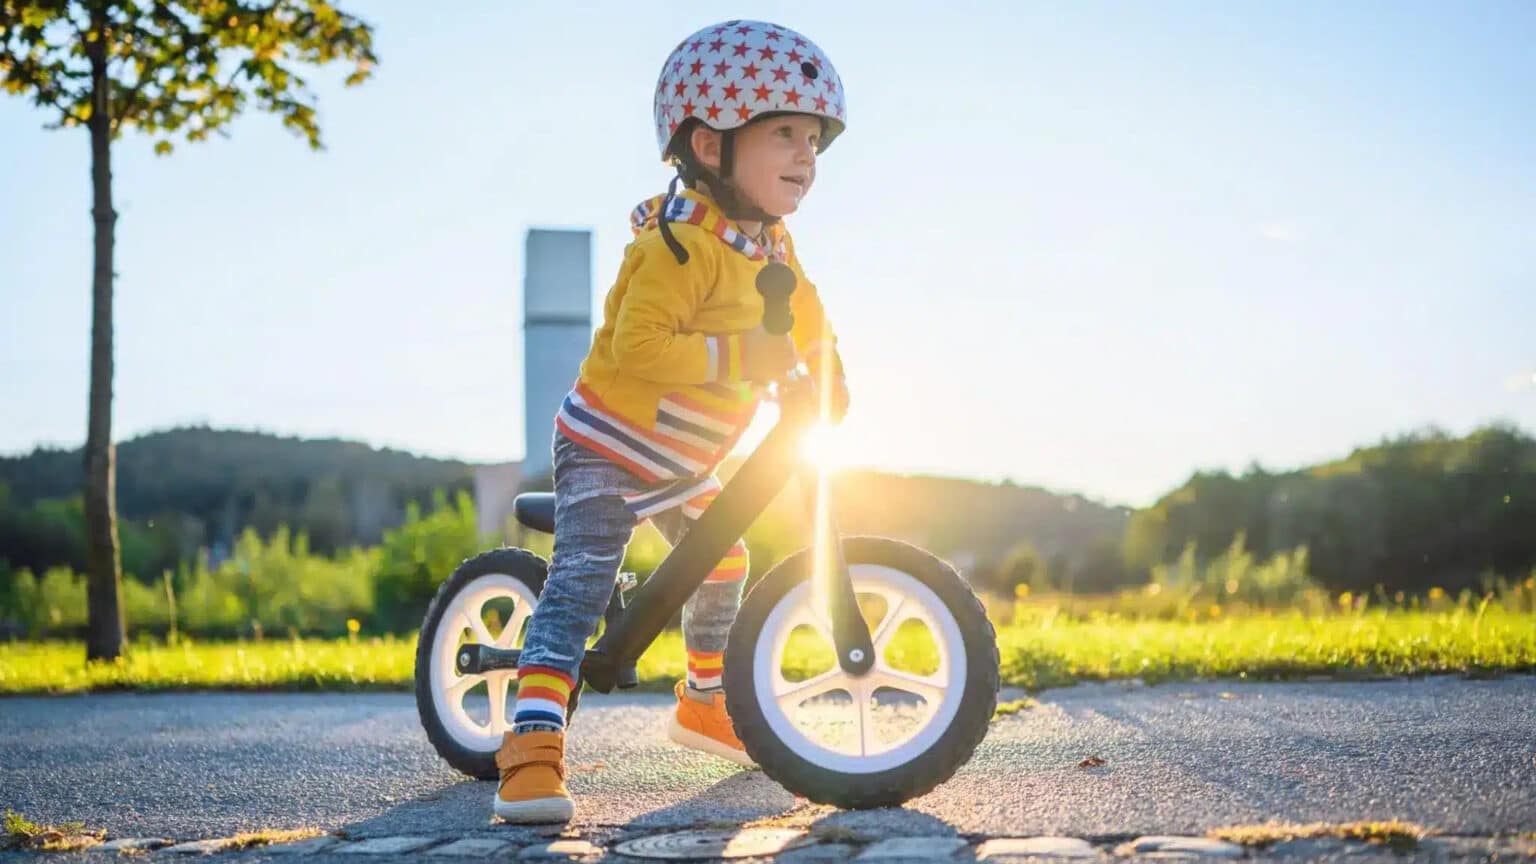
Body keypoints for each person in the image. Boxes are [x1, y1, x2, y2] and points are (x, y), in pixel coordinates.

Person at [493, 19, 850, 824]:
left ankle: (702, 698)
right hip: (605, 445)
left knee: (722, 563)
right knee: (584, 577)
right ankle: (532, 744)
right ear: (710, 144)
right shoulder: (674, 247)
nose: (806, 156)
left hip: (686, 457)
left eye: (815, 141)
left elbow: (807, 319)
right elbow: (640, 348)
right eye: (784, 133)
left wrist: (829, 374)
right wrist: (742, 362)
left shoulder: (772, 247)